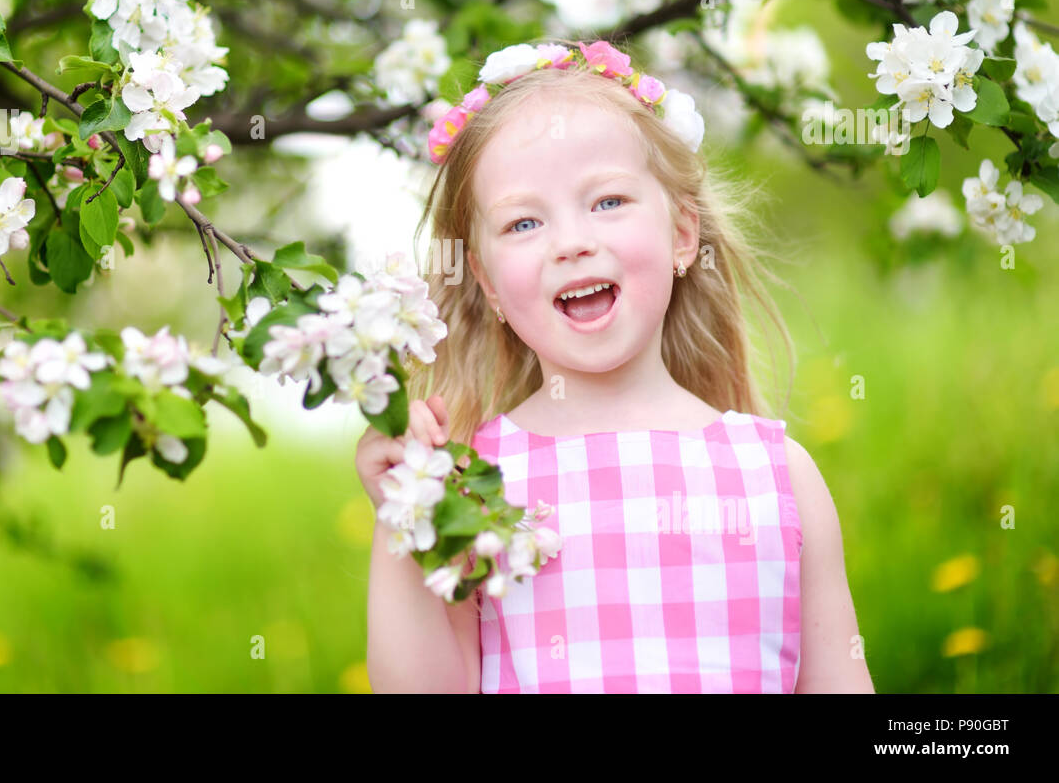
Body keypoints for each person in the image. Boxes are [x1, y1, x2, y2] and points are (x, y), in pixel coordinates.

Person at [357, 37, 873, 693]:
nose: (572, 243)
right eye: (523, 224)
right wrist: (407, 517)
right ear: (485, 279)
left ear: (682, 235)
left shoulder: (775, 476)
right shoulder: (467, 484)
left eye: (607, 202)